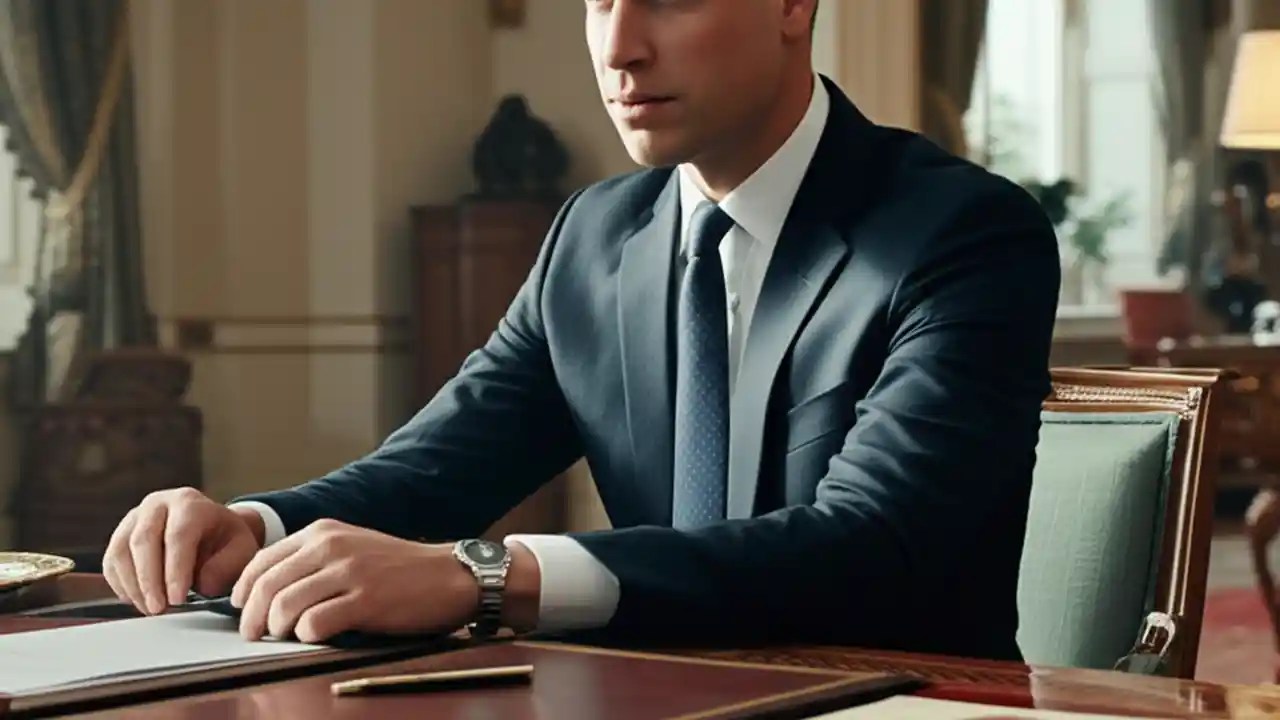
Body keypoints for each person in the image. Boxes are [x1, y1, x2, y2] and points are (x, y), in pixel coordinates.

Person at [103, 0, 1059, 661]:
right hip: (653, 693)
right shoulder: (593, 236)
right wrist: (254, 528)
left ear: (791, 5)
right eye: (600, 2)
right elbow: (436, 470)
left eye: (670, 3)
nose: (621, 48)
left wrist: (484, 576)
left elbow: (870, 546)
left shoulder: (964, 233)